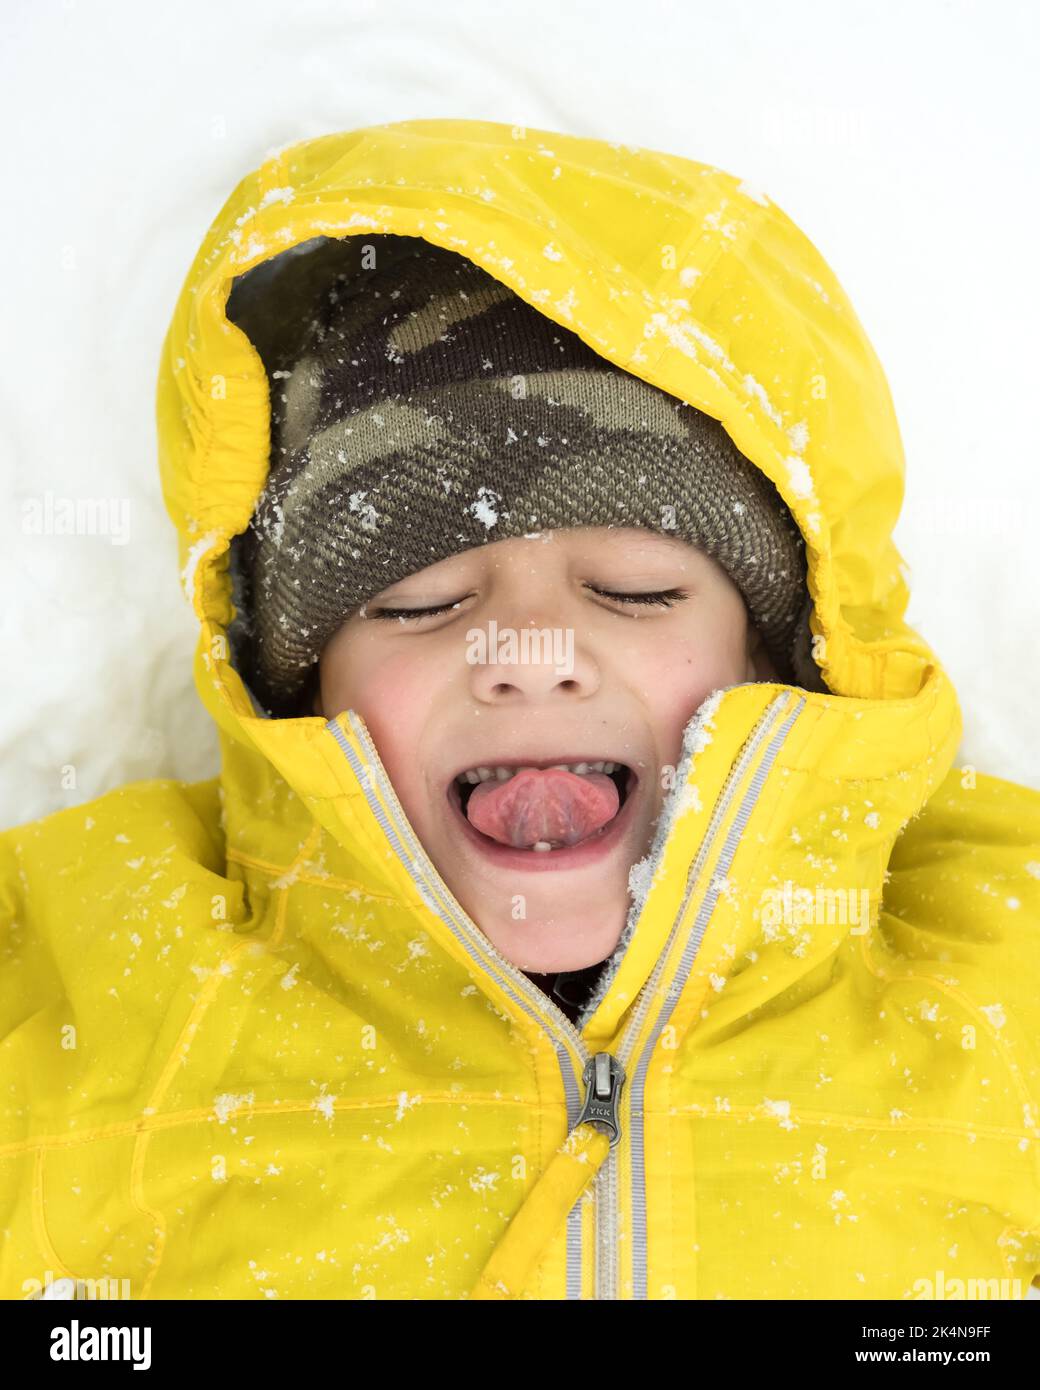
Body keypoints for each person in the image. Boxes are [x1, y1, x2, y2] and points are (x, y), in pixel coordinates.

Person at [2, 119, 1038, 1303]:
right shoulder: (85, 971)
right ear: (304, 686)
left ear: (774, 652)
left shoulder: (1008, 968)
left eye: (634, 591)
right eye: (417, 601)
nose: (529, 653)